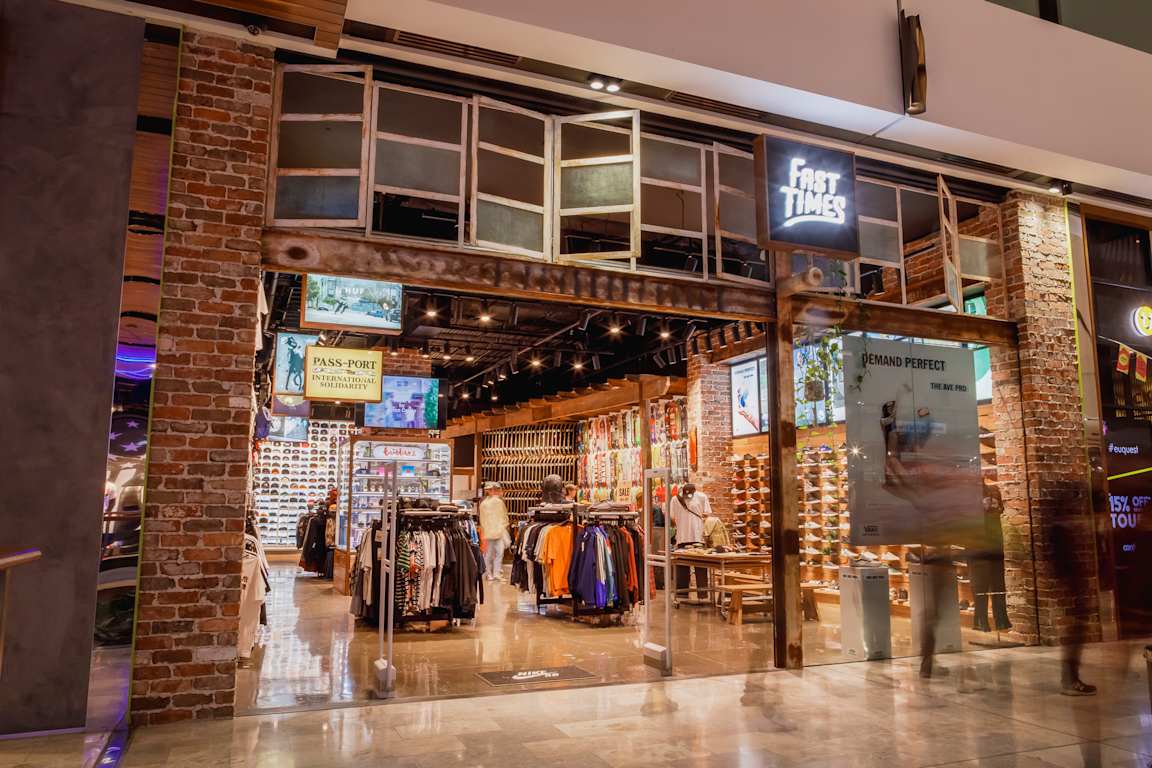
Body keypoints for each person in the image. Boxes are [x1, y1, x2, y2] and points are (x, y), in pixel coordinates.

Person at [669, 483, 711, 601]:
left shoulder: (702, 496)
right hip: (685, 537)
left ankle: (698, 594)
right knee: (686, 567)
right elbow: (706, 514)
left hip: (696, 537)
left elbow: (672, 518)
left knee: (699, 567)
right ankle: (687, 594)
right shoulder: (675, 499)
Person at [478, 482, 510, 581]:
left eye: (494, 489)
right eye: (491, 489)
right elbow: (502, 516)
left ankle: (493, 573)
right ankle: (491, 573)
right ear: (488, 491)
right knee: (492, 554)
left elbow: (502, 515)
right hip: (493, 531)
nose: (493, 491)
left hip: (494, 531)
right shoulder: (487, 503)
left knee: (496, 553)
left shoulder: (490, 503)